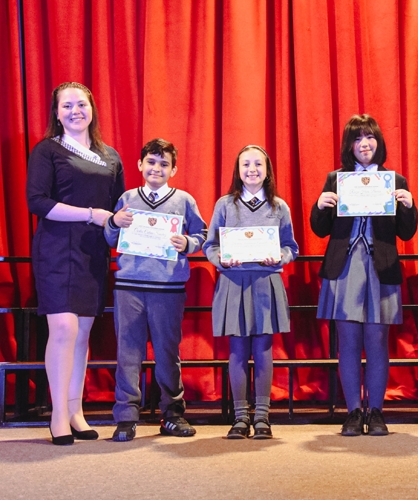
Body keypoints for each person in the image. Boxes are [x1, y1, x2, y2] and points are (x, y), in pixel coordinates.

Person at [26, 82, 125, 445]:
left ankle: (75, 411)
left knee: (82, 334)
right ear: (56, 113)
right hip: (56, 249)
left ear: (92, 109)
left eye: (80, 104)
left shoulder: (110, 155)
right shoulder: (47, 150)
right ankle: (57, 416)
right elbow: (36, 201)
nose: (74, 111)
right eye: (66, 106)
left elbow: (116, 210)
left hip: (92, 251)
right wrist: (90, 214)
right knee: (64, 330)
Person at [310, 114, 418, 436]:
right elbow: (320, 229)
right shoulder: (336, 179)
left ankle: (377, 411)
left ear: (378, 141)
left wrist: (409, 206)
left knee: (377, 342)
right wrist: (320, 205)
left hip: (380, 266)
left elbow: (407, 232)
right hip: (345, 268)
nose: (365, 144)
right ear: (350, 145)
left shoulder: (394, 180)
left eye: (369, 137)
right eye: (358, 139)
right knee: (348, 343)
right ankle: (353, 412)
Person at [105, 138, 207, 441]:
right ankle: (126, 416)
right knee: (128, 352)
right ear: (140, 165)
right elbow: (111, 239)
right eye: (151, 162)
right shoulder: (127, 198)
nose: (156, 168)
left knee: (167, 352)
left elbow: (202, 234)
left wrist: (188, 243)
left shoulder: (184, 200)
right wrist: (114, 221)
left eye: (164, 164)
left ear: (173, 169)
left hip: (168, 288)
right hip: (129, 287)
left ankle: (172, 413)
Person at [204, 145, 299, 439]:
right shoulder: (224, 205)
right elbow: (210, 245)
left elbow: (291, 247)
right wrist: (221, 258)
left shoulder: (279, 207)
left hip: (265, 283)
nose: (252, 170)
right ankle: (240, 417)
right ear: (238, 170)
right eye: (246, 164)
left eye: (258, 164)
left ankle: (262, 417)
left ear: (268, 170)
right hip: (233, 283)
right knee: (237, 350)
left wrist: (279, 258)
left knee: (263, 349)